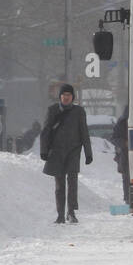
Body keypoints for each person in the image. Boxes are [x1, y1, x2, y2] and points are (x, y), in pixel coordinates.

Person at [40, 84, 92, 223]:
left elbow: (84, 132)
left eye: (69, 95)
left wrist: (88, 153)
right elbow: (46, 130)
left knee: (73, 182)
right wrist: (44, 150)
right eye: (64, 95)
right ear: (60, 97)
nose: (66, 97)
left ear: (72, 97)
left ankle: (71, 211)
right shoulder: (52, 110)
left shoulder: (79, 111)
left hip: (73, 151)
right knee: (59, 184)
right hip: (56, 152)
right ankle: (60, 215)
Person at [111, 106, 130, 204]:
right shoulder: (121, 123)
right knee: (126, 177)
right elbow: (114, 138)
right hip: (124, 154)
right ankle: (127, 198)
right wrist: (125, 143)